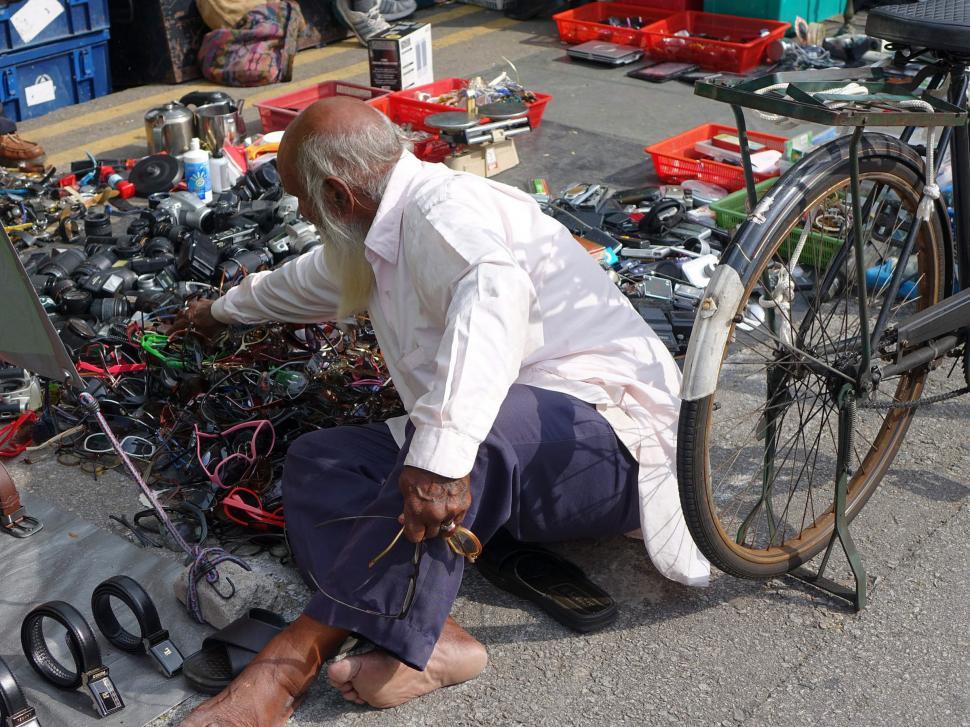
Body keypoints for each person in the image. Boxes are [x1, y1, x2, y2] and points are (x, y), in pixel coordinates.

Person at [177, 97, 708, 726]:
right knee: (320, 460)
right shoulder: (377, 228)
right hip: (518, 455)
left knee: (457, 440)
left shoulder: (442, 212)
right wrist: (213, 314)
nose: (299, 213)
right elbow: (300, 282)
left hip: (608, 445)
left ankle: (283, 671)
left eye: (301, 198)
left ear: (339, 195)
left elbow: (494, 295)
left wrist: (439, 461)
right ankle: (432, 639)